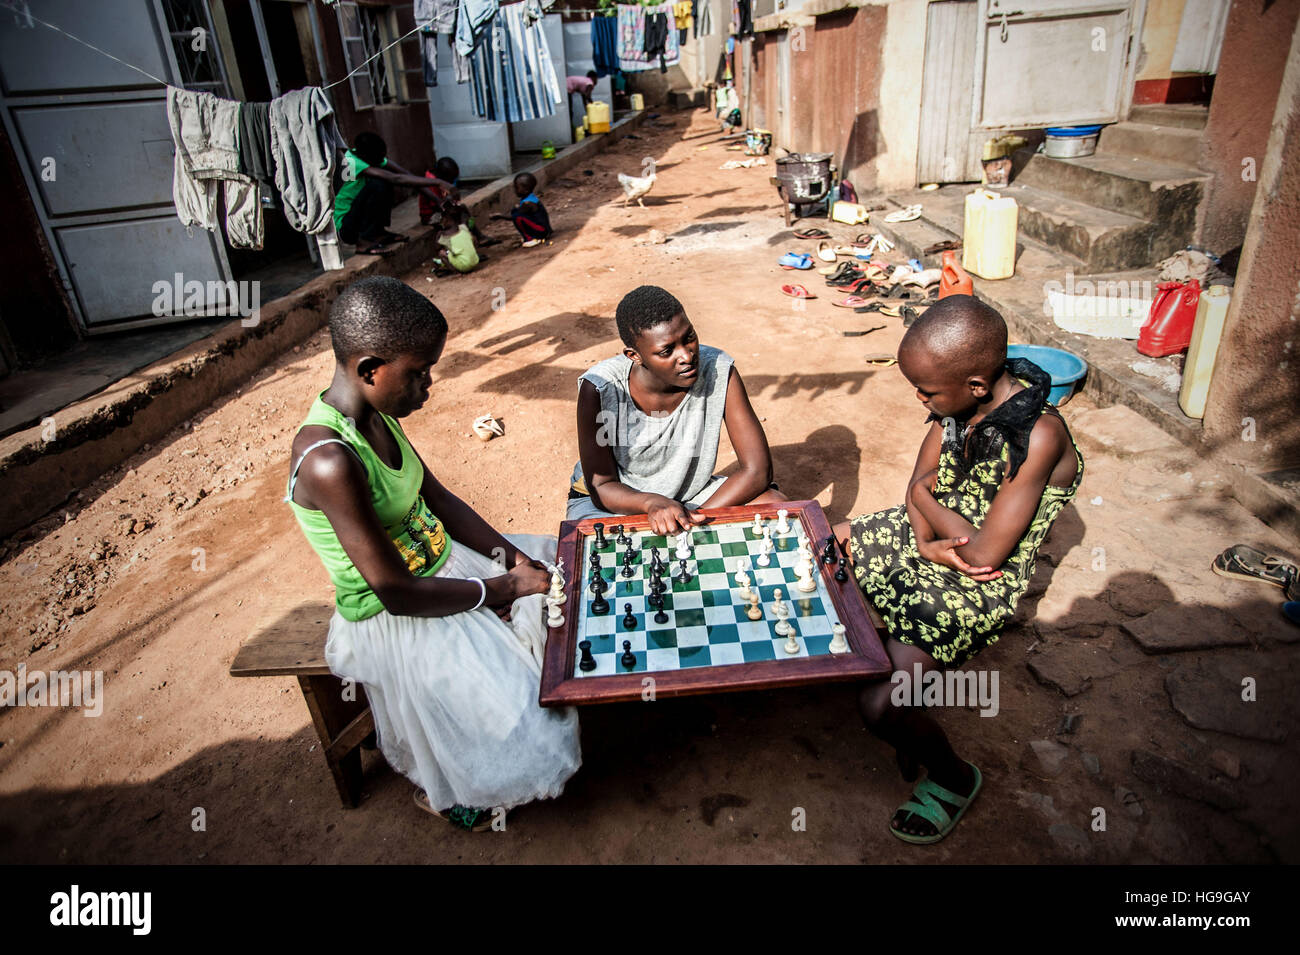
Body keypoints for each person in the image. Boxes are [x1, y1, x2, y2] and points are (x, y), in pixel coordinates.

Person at [285, 276, 581, 830]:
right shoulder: (329, 459)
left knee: (561, 584)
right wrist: (502, 588)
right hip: (399, 613)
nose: (428, 384)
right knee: (529, 720)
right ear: (370, 369)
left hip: (444, 569)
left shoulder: (377, 416)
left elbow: (440, 500)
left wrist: (512, 560)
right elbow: (397, 593)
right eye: (419, 372)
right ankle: (453, 786)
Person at [832, 295, 1083, 845]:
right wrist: (923, 536)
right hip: (931, 536)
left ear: (975, 384)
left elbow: (982, 554)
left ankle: (953, 777)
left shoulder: (1039, 436)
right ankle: (886, 663)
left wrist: (924, 503)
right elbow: (916, 485)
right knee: (822, 548)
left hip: (976, 581)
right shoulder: (957, 400)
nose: (920, 399)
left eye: (926, 391)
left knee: (880, 706)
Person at [570, 285, 786, 534]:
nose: (686, 356)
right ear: (634, 356)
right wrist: (651, 503)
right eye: (667, 351)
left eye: (689, 337)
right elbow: (602, 485)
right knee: (592, 547)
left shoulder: (718, 370)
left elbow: (757, 471)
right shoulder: (600, 389)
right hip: (621, 502)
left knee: (775, 506)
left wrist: (689, 519)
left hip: (692, 499)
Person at [334, 132, 456, 256]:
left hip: (356, 219)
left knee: (384, 181)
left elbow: (405, 175)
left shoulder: (365, 154)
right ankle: (363, 243)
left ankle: (378, 233)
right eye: (380, 157)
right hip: (346, 228)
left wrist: (437, 200)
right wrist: (438, 182)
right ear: (369, 156)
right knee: (378, 184)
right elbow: (396, 178)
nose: (383, 159)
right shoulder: (351, 162)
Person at [419, 156, 500, 247]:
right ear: (444, 176)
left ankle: (479, 237)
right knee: (456, 220)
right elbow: (437, 206)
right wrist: (451, 206)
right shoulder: (431, 182)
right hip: (430, 216)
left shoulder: (436, 177)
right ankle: (463, 247)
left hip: (439, 209)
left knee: (462, 209)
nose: (452, 182)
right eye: (451, 179)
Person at [491, 172, 552, 247]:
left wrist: (500, 216)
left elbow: (512, 217)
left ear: (526, 190)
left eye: (517, 188)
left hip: (542, 231)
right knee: (516, 212)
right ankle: (533, 235)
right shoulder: (530, 198)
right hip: (544, 229)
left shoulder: (527, 203)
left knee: (517, 217)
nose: (514, 190)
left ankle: (531, 238)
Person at [434, 204, 480, 275]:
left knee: (441, 253)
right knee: (472, 238)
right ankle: (471, 256)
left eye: (442, 220)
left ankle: (455, 271)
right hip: (475, 261)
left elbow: (437, 248)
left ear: (447, 220)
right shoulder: (464, 228)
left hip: (464, 266)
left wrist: (438, 236)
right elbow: (475, 241)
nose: (441, 222)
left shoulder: (444, 236)